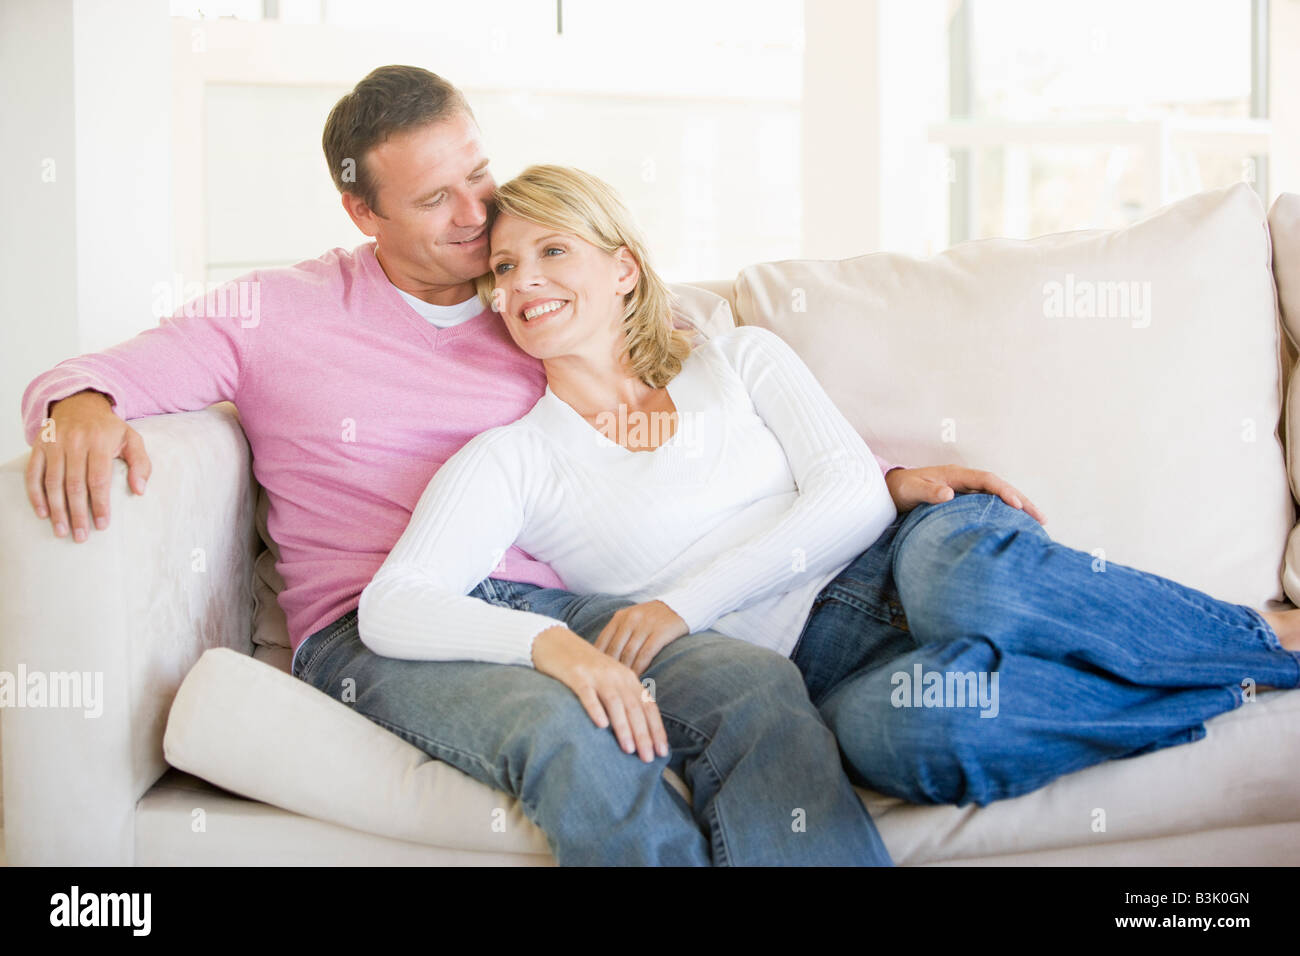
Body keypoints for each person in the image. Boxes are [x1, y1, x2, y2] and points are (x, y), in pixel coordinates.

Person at [21, 64, 980, 866]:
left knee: (752, 689)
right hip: (379, 627)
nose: (478, 215)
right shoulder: (274, 312)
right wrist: (79, 408)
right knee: (570, 737)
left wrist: (881, 482)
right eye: (435, 199)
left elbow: (692, 408)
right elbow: (94, 372)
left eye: (479, 175)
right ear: (363, 210)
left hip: (540, 602)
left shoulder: (534, 299)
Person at [360, 162, 1300, 814]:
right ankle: (1230, 676)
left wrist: (682, 605)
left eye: (551, 251)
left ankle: (1276, 647)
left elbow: (852, 495)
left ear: (622, 266)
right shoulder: (511, 460)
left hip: (902, 557)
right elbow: (394, 606)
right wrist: (552, 645)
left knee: (968, 583)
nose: (523, 283)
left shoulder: (736, 360)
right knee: (916, 738)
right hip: (828, 674)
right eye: (504, 269)